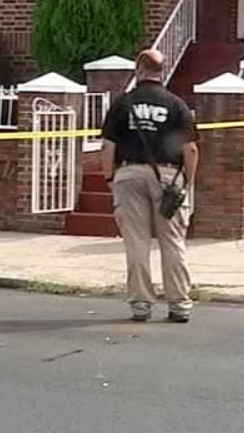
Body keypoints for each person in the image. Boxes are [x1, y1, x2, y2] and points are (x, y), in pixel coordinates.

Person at [100, 48, 200, 323]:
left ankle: (141, 305)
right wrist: (187, 183)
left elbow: (108, 147)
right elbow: (191, 149)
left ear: (139, 69)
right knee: (173, 242)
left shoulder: (123, 103)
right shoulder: (176, 104)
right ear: (162, 71)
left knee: (137, 243)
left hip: (129, 174)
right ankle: (179, 305)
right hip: (168, 178)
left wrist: (110, 179)